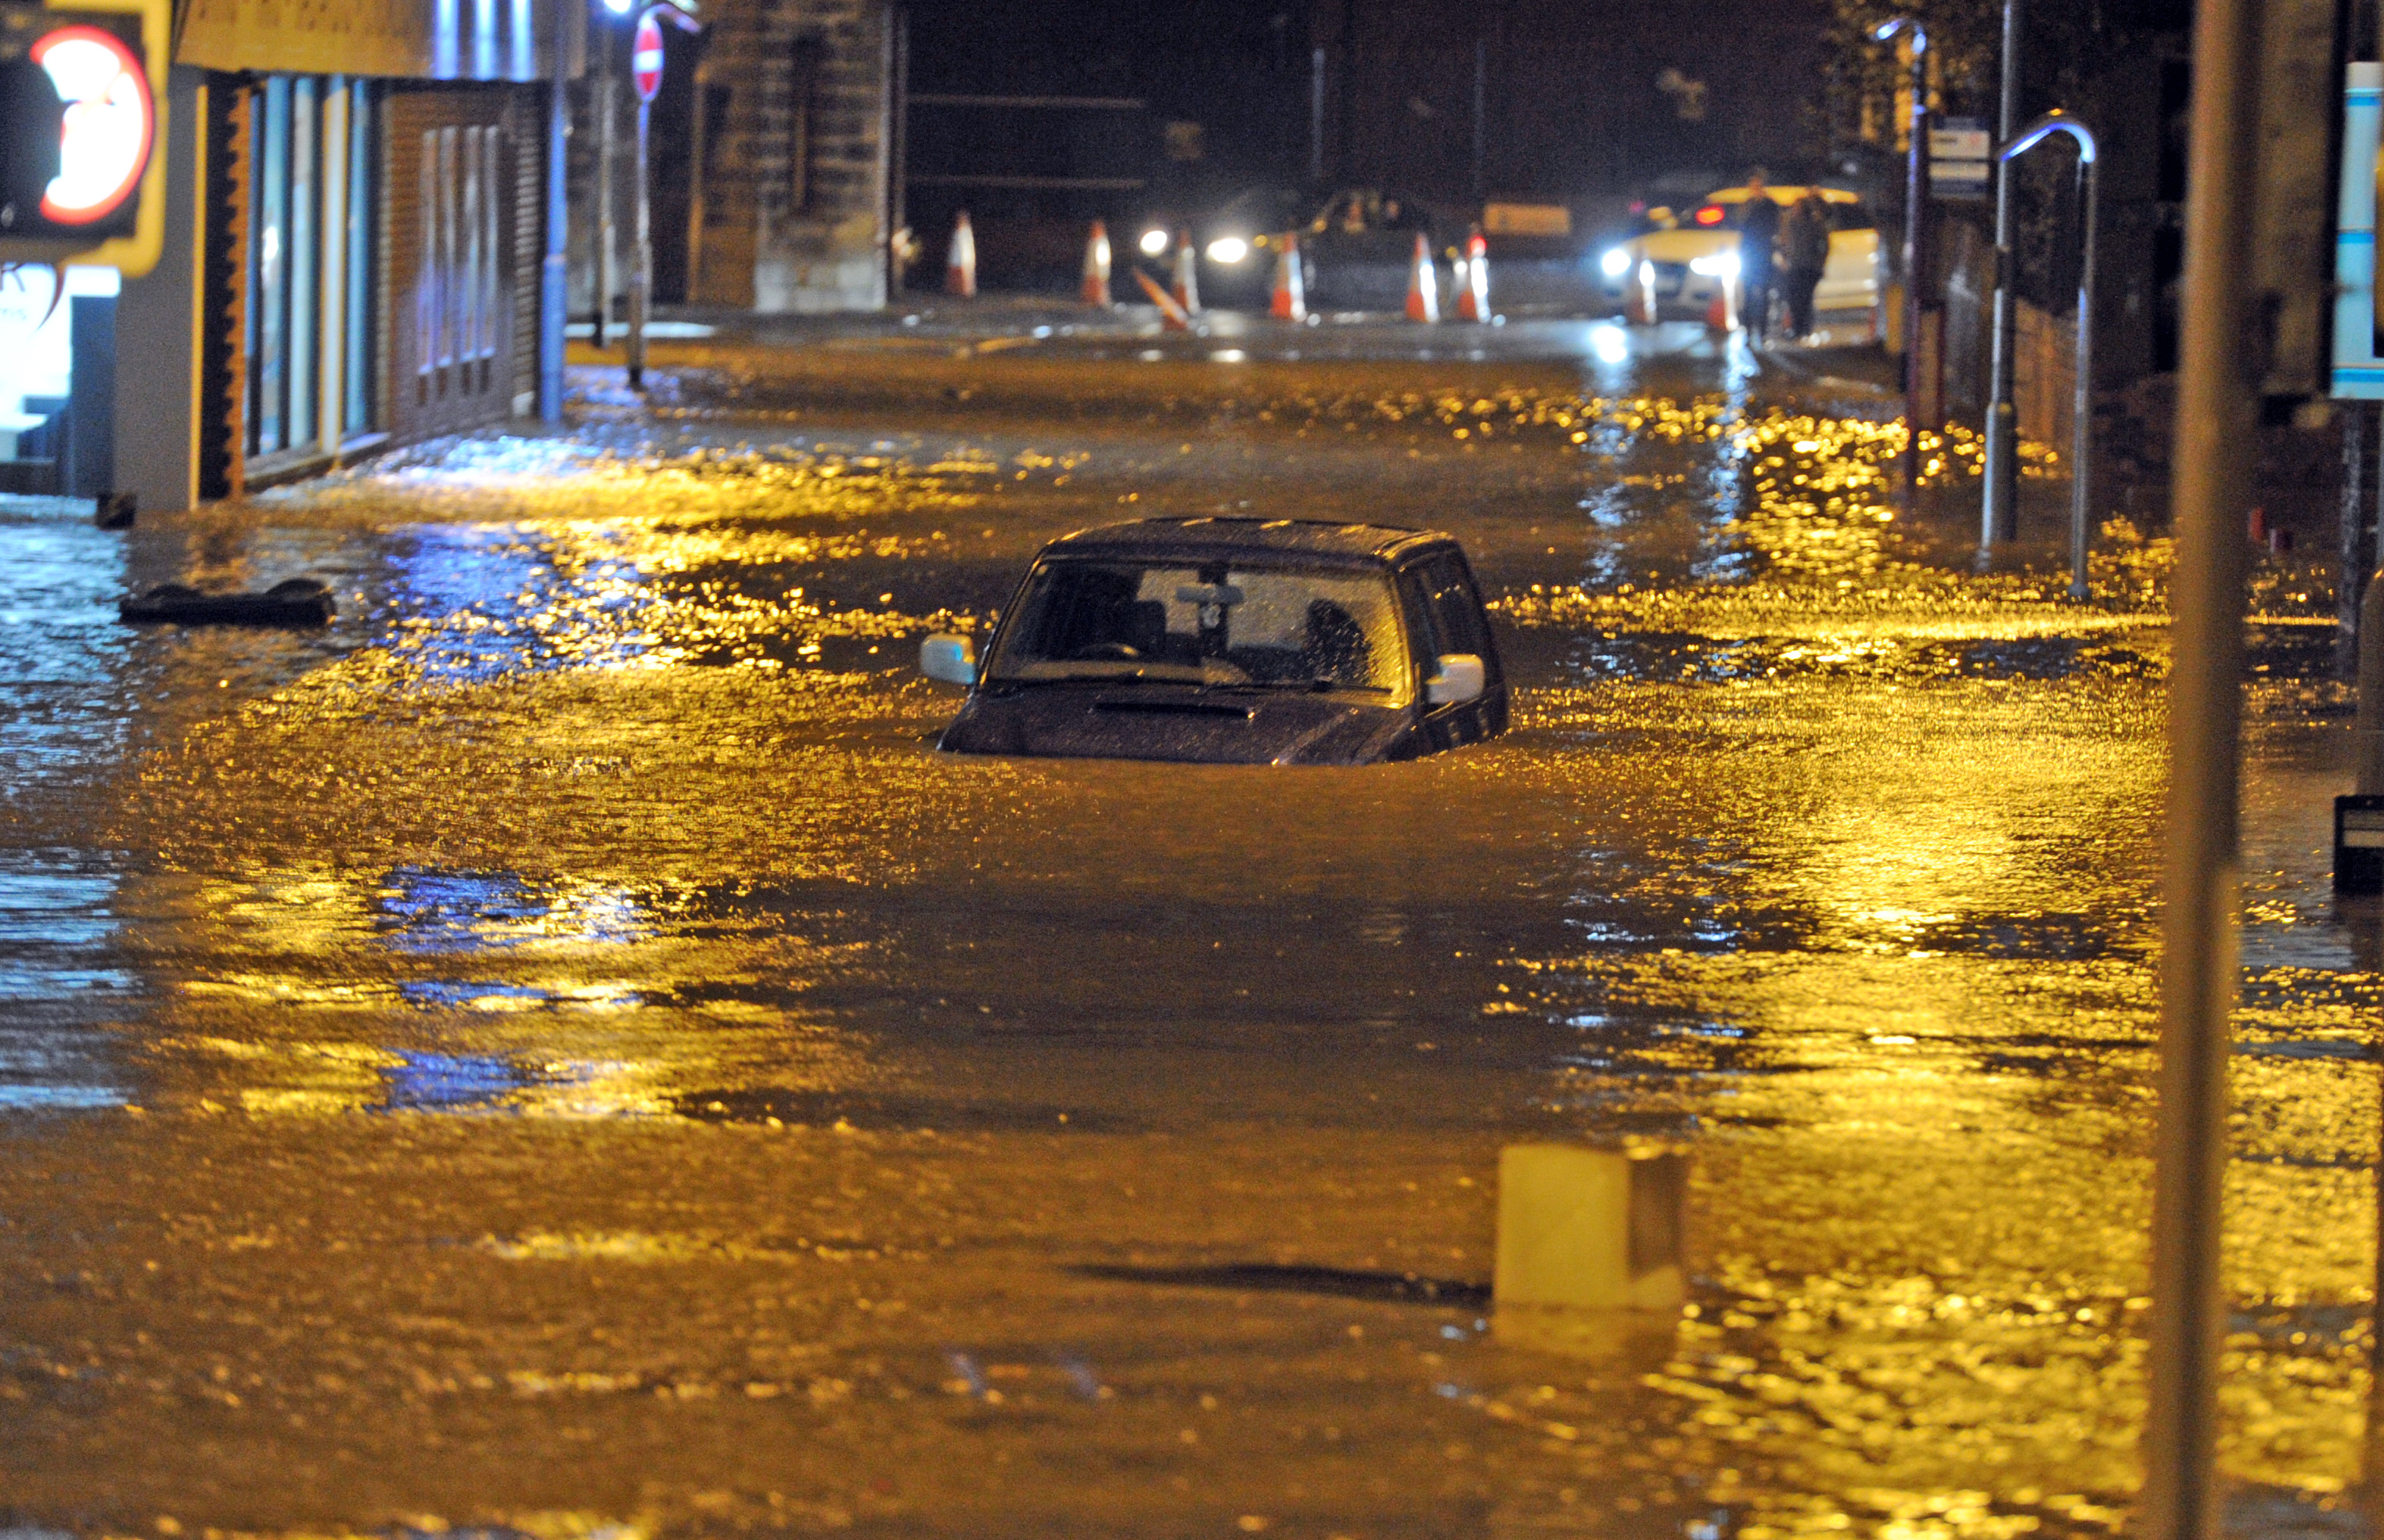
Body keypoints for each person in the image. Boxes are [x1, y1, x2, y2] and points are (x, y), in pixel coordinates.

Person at [1779, 189, 1833, 341]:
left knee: (1805, 299)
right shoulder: (1790, 224)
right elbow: (1784, 243)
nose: (1795, 210)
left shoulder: (1815, 224)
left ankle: (1803, 329)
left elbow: (1824, 245)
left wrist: (1820, 262)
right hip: (1794, 267)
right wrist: (1784, 259)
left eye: (1798, 207)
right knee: (1793, 299)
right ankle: (1797, 329)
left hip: (1809, 268)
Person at [1736, 171, 1781, 344]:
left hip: (1764, 253)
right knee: (1748, 294)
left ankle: (1762, 331)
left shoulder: (1770, 205)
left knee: (1764, 293)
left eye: (1757, 186)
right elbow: (1740, 224)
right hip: (1748, 254)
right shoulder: (1747, 205)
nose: (1754, 189)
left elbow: (1775, 227)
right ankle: (1748, 330)